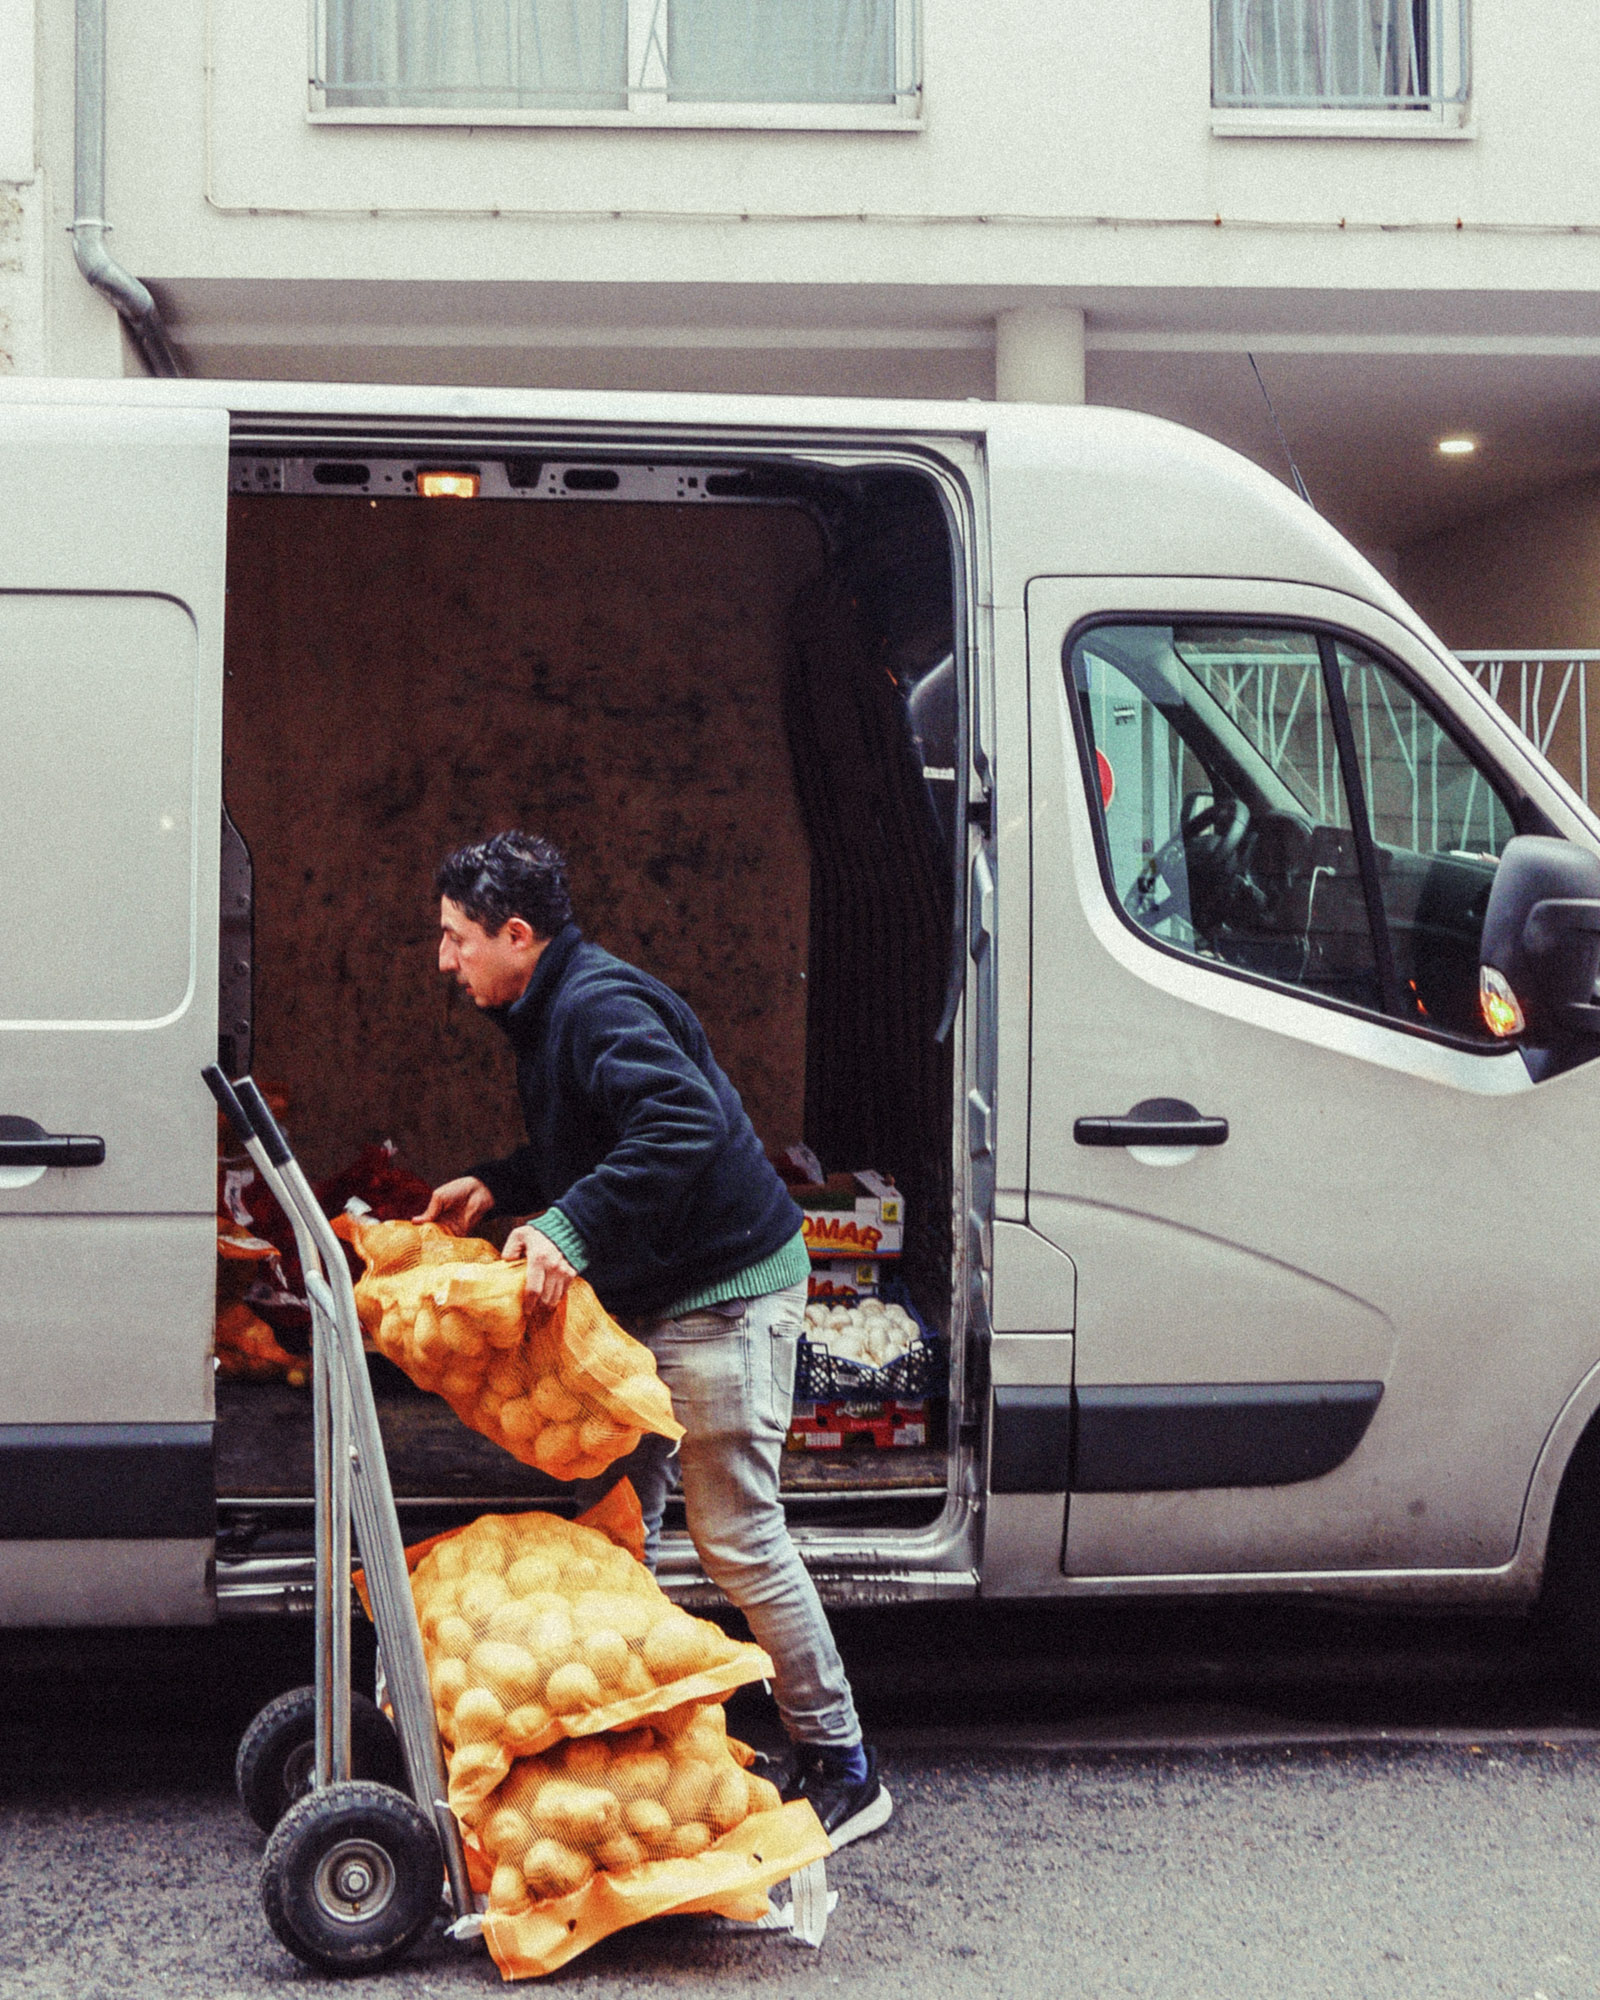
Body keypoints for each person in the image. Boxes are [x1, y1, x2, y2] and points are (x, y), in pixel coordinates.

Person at [415, 829, 891, 1849]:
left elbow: (678, 1126)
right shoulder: (553, 1005)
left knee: (738, 1538)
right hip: (665, 1296)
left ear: (515, 933)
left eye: (457, 938)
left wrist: (571, 1227)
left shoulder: (595, 1005)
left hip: (724, 1295)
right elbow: (599, 1131)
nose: (444, 959)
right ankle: (652, 1733)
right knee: (624, 1514)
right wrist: (508, 1179)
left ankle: (843, 1757)